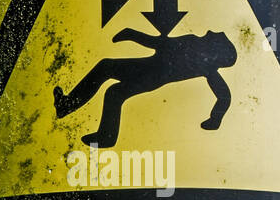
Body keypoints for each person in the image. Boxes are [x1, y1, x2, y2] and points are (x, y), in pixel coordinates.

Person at [53, 26, 237, 147]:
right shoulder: (204, 63)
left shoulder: (194, 50)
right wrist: (215, 119)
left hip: (148, 73)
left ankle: (74, 111)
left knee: (108, 74)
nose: (211, 31)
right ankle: (103, 133)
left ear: (213, 49)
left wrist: (131, 34)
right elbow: (224, 96)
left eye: (215, 37)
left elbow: (160, 44)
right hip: (150, 73)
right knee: (114, 92)